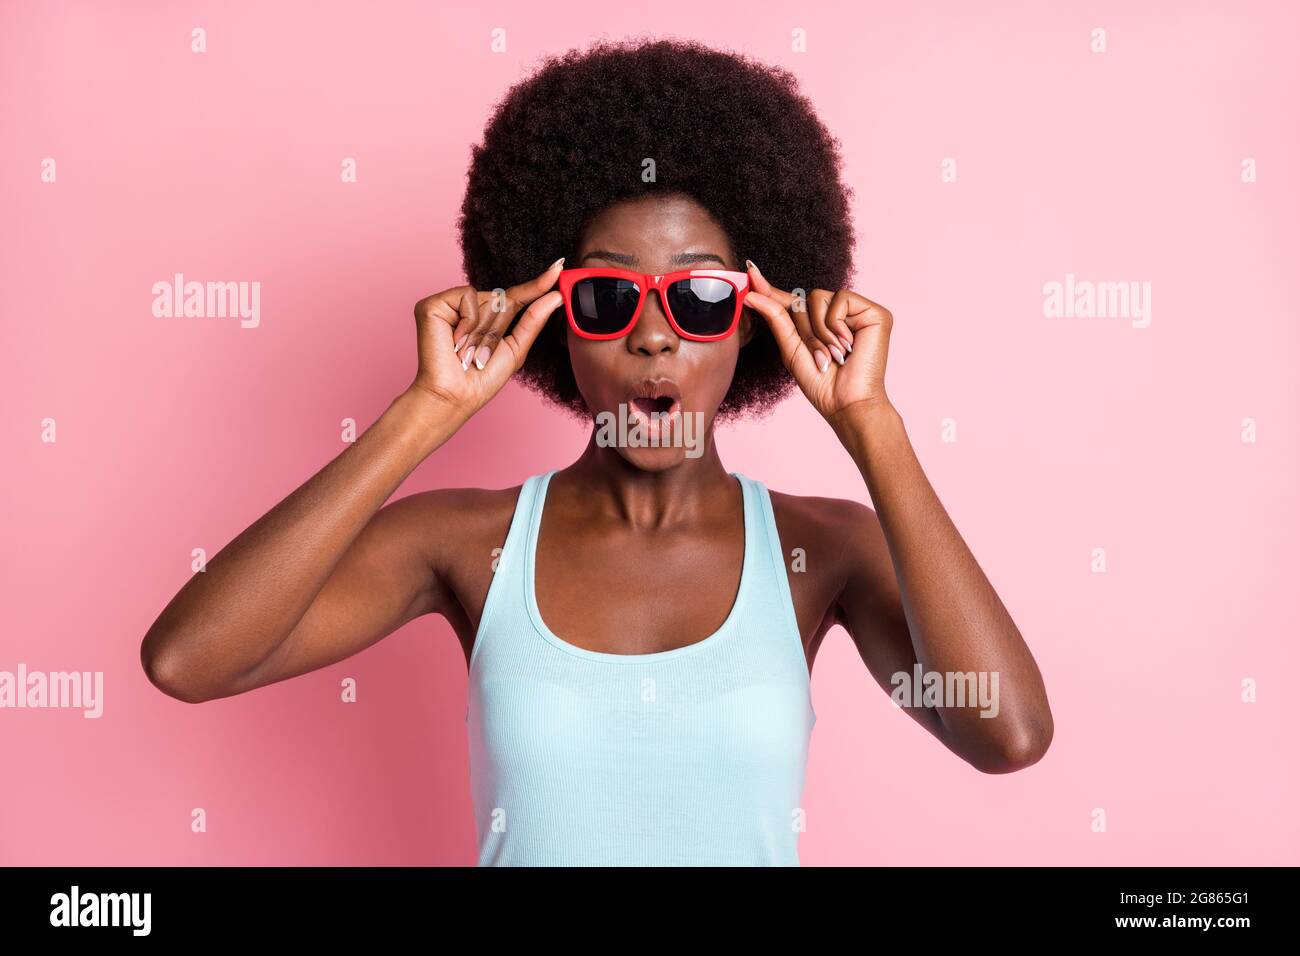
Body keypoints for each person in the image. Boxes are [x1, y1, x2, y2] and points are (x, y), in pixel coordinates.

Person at [141, 37, 1053, 866]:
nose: (654, 338)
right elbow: (189, 660)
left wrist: (872, 425)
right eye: (609, 298)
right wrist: (426, 409)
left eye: (698, 297)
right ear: (553, 323)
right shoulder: (465, 542)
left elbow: (1006, 734)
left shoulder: (822, 551)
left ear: (750, 325)